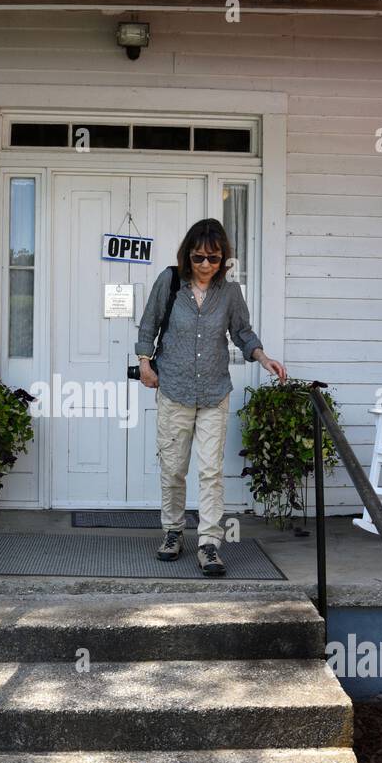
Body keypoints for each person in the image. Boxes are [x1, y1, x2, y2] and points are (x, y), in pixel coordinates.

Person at [135, 218, 287, 576]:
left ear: (224, 260)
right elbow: (149, 324)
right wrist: (145, 364)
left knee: (210, 472)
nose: (206, 265)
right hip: (174, 389)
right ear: (188, 255)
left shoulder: (230, 294)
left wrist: (263, 357)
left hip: (215, 392)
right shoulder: (169, 282)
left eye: (214, 259)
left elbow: (243, 333)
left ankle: (209, 543)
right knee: (173, 469)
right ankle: (173, 532)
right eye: (199, 257)